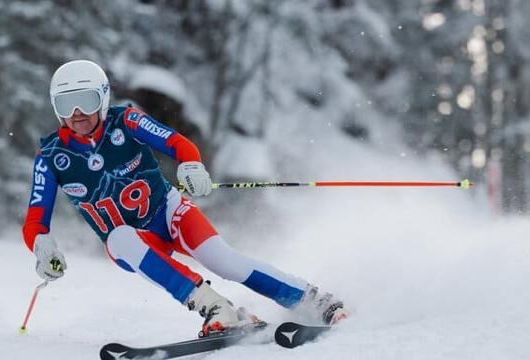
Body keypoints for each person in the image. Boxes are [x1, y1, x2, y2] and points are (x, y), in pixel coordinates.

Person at [23, 59, 348, 336]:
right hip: (135, 243)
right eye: (67, 104)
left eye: (86, 101)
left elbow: (177, 143)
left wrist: (191, 165)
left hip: (169, 212)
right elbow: (36, 218)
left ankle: (314, 301)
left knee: (224, 261)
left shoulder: (125, 120)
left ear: (104, 100)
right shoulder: (52, 156)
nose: (78, 113)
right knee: (118, 237)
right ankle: (218, 309)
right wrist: (42, 247)